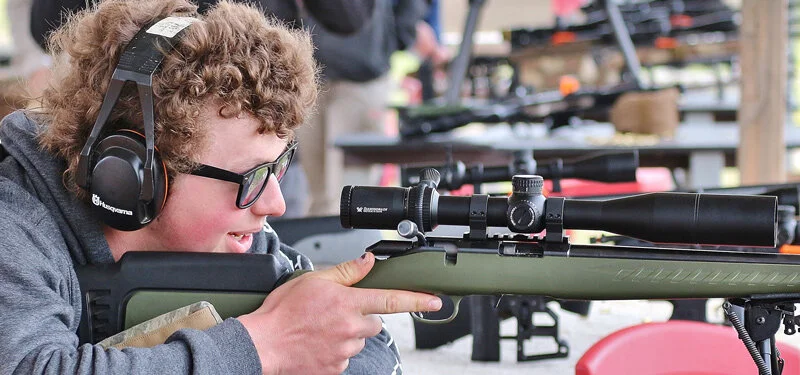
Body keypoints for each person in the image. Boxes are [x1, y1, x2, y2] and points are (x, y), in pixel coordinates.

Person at [0, 0, 441, 374]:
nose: (276, 203)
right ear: (133, 175)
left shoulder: (242, 243)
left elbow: (371, 351)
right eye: (250, 178)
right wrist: (260, 345)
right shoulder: (13, 223)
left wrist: (305, 334)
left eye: (278, 168)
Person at [296, 0, 436, 217]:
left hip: (362, 76)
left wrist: (394, 36)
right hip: (308, 72)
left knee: (352, 201)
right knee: (319, 196)